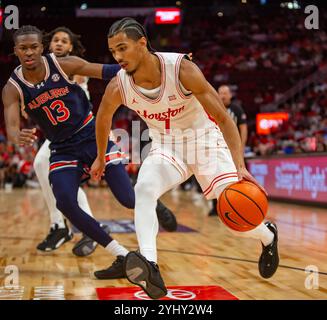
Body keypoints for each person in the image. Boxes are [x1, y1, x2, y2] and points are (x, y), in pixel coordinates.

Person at [91, 18, 279, 299]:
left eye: (122, 48)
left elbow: (225, 120)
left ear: (142, 43)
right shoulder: (118, 86)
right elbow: (103, 119)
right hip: (166, 147)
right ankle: (150, 265)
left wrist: (240, 165)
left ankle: (267, 236)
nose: (117, 57)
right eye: (113, 51)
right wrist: (100, 157)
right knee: (143, 189)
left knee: (235, 219)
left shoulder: (182, 69)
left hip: (205, 142)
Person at [2, 25, 177, 280]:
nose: (29, 52)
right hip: (62, 148)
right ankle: (121, 254)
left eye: (33, 47)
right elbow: (11, 126)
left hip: (92, 136)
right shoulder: (12, 87)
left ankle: (155, 204)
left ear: (42, 47)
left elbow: (109, 71)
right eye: (23, 48)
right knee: (64, 201)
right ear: (15, 51)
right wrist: (16, 136)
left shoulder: (64, 64)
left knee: (127, 198)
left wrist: (160, 65)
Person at [34, 26, 103, 255]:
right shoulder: (41, 70)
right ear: (49, 45)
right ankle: (80, 226)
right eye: (56, 40)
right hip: (63, 136)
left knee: (42, 163)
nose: (60, 43)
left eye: (65, 40)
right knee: (46, 168)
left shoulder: (74, 66)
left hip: (82, 132)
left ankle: (62, 225)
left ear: (71, 47)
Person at [208, 85, 248, 216]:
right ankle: (216, 207)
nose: (223, 96)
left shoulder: (236, 109)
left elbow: (243, 128)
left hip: (232, 149)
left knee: (235, 178)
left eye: (225, 93)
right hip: (216, 147)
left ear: (230, 95)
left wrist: (241, 147)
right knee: (214, 177)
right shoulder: (213, 107)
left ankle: (236, 206)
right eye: (221, 93)